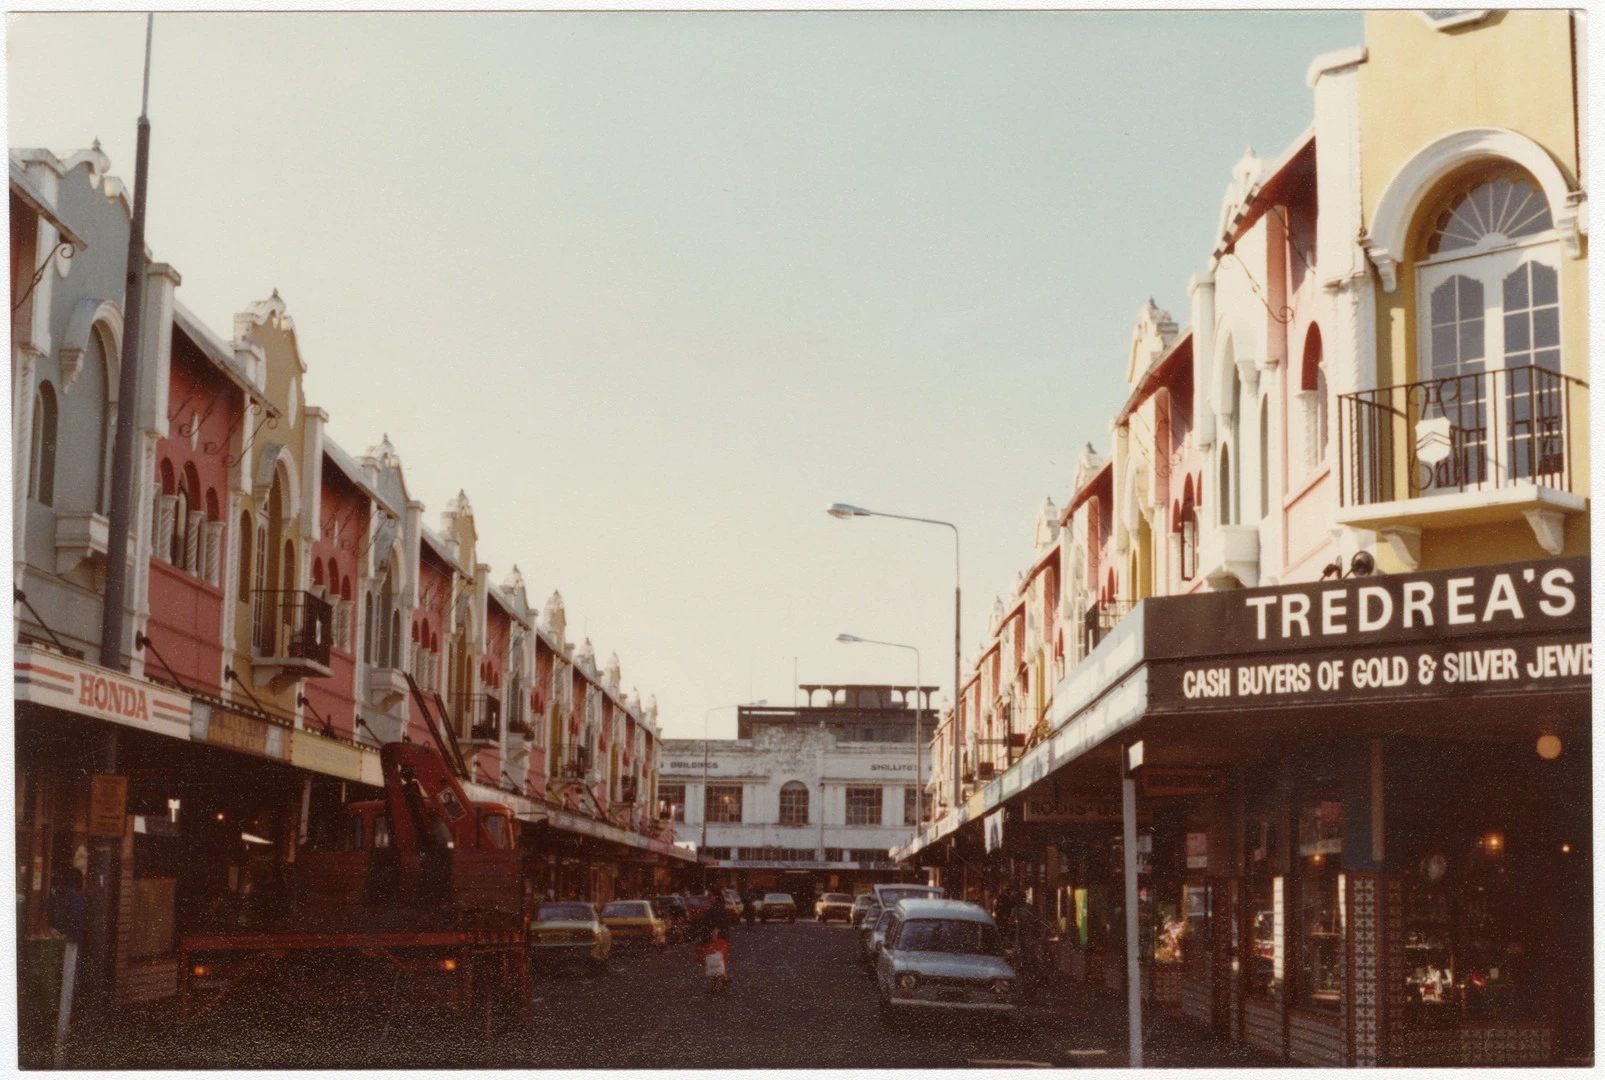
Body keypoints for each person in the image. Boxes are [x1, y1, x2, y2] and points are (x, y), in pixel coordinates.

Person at [697, 926, 731, 992]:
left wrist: (714, 938)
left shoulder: (711, 916)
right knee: (714, 962)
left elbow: (716, 926)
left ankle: (715, 985)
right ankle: (723, 978)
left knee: (712, 962)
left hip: (713, 939)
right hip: (714, 938)